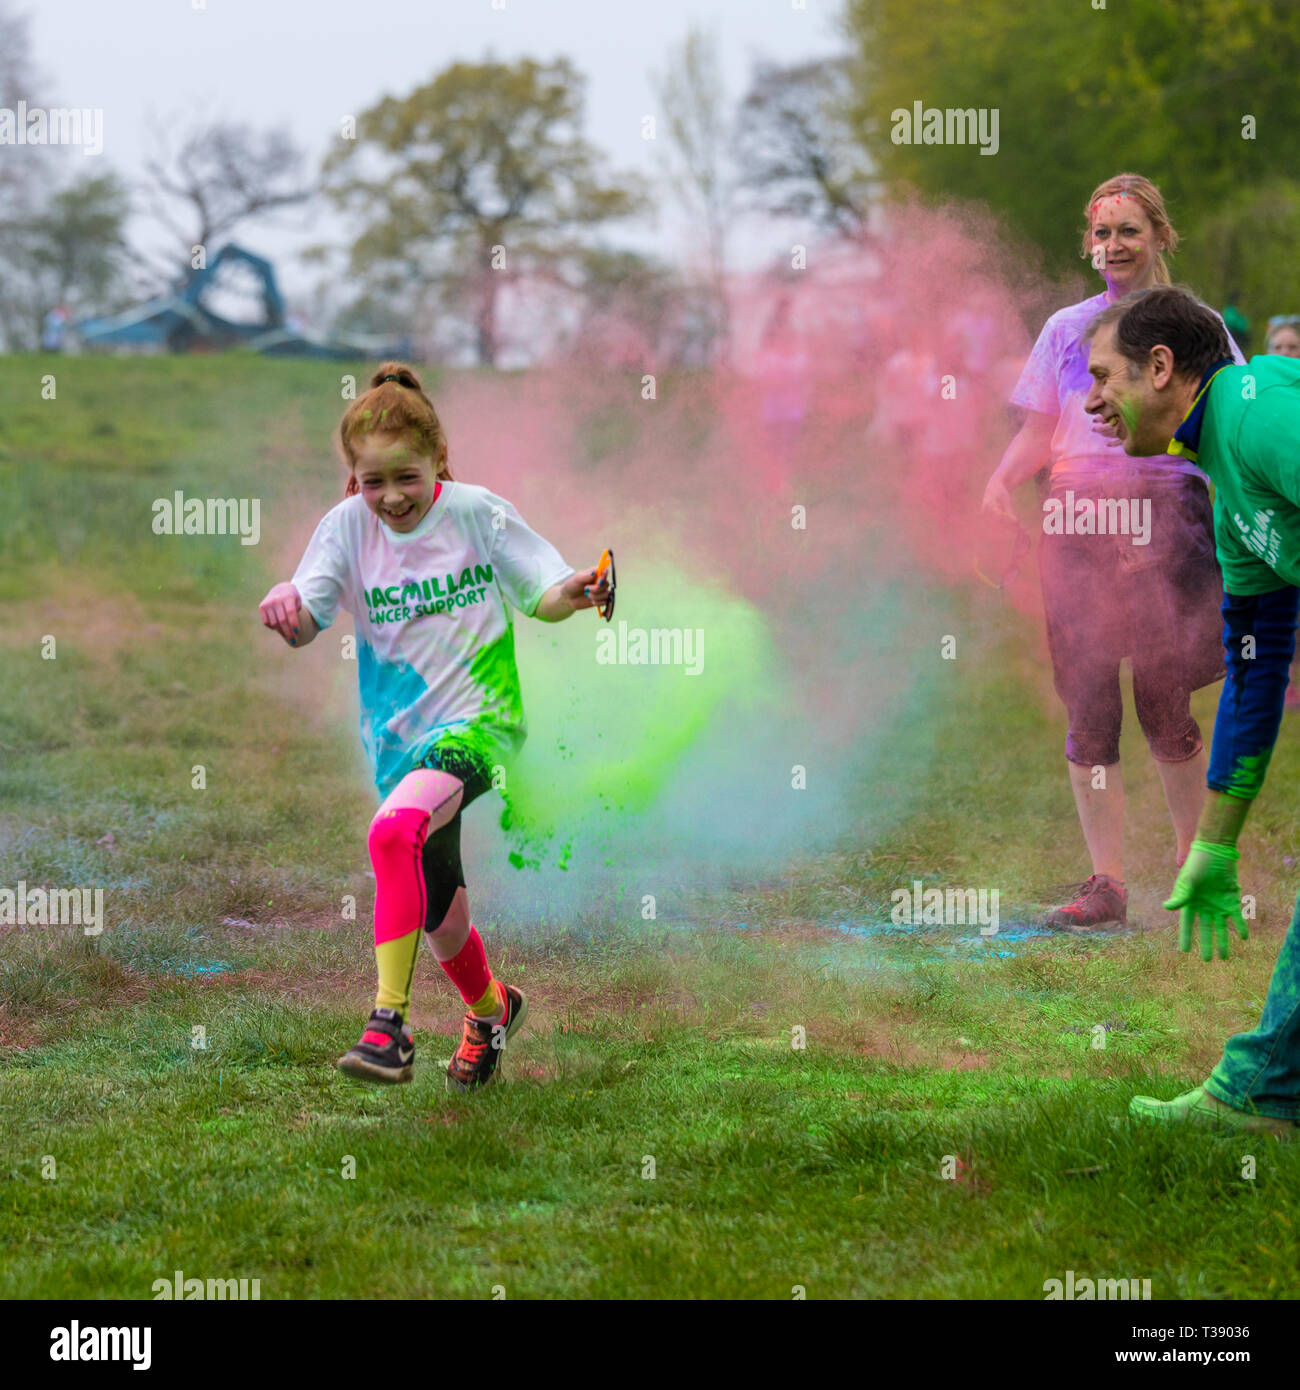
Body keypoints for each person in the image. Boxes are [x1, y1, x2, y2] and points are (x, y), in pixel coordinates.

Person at [258, 362, 610, 1093]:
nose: (391, 497)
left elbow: (539, 592)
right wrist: (285, 609)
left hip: (483, 728)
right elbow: (308, 618)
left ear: (438, 463)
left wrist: (573, 591)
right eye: (372, 480)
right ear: (353, 478)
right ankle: (492, 1010)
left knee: (390, 834)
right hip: (400, 747)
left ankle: (388, 1027)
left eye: (407, 478)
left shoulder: (479, 513)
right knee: (441, 917)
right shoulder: (346, 529)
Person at [982, 173, 1244, 930]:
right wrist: (1001, 482)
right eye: (1101, 233)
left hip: (1168, 510)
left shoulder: (1197, 326)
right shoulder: (1066, 328)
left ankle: (1200, 873)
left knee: (1165, 700)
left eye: (1129, 230)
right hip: (1075, 519)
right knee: (1089, 700)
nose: (1113, 245)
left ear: (1161, 235)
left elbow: (1225, 422)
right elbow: (1038, 429)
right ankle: (1108, 885)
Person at [1080, 285, 1300, 1136]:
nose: (1092, 400)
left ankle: (1264, 1087)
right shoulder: (1227, 488)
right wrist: (1214, 842)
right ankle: (1267, 1088)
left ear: (1161, 366)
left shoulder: (1255, 414)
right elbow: (1255, 667)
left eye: (1104, 377)